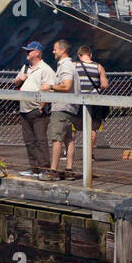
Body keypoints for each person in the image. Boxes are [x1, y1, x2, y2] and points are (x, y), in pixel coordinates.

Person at [14, 41, 57, 175]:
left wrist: (41, 107)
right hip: (24, 109)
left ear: (37, 52)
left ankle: (44, 167)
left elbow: (49, 89)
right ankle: (34, 167)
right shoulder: (25, 67)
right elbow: (15, 83)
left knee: (40, 140)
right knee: (29, 141)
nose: (26, 53)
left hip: (37, 110)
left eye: (29, 51)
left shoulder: (46, 69)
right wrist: (20, 79)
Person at [41, 40, 78, 176]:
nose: (53, 51)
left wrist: (49, 87)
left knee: (56, 138)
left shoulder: (66, 66)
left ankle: (53, 170)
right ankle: (68, 169)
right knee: (68, 139)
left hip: (62, 107)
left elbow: (67, 85)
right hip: (69, 107)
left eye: (55, 49)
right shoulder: (68, 65)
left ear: (62, 50)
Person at [74, 45, 110, 164]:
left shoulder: (74, 66)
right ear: (90, 55)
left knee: (72, 127)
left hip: (78, 100)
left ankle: (68, 151)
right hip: (94, 100)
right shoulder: (98, 66)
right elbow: (105, 85)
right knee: (93, 128)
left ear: (79, 55)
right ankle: (89, 154)